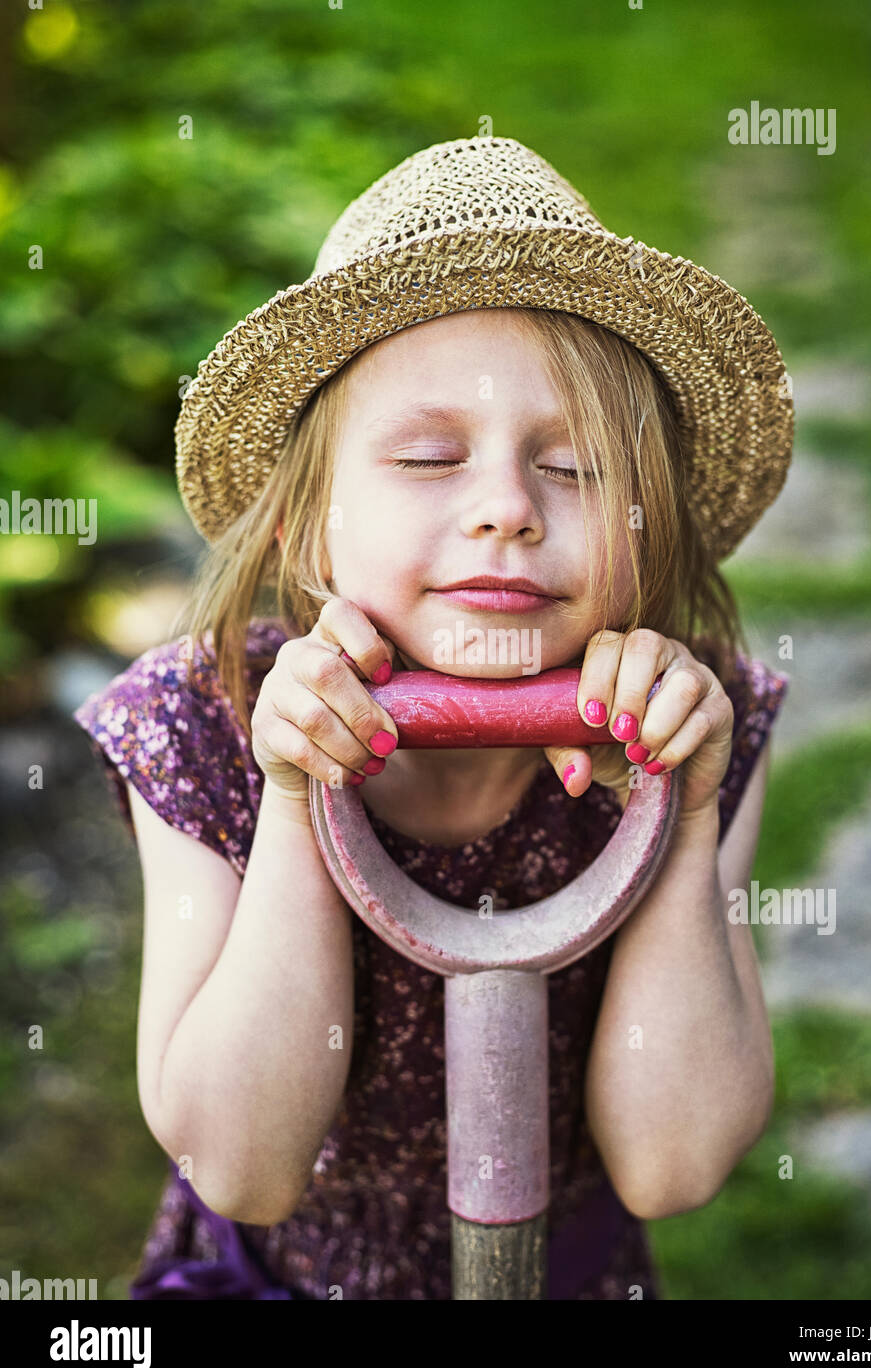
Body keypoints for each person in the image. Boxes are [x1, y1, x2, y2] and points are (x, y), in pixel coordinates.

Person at [72, 135, 793, 1300]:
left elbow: (672, 1162)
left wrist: (683, 809)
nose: (506, 508)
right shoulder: (202, 726)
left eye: (573, 469)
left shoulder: (698, 724)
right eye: (424, 455)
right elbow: (240, 1166)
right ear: (308, 526)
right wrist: (302, 800)